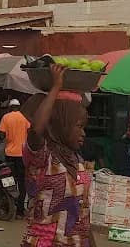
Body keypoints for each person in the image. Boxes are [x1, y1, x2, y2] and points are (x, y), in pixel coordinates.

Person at [21, 65, 96, 247]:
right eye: (78, 126)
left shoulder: (77, 162)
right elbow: (36, 131)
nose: (83, 133)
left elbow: (83, 215)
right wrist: (56, 87)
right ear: (61, 125)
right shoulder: (43, 158)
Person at [0, 98, 30, 217]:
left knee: (8, 181)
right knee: (22, 182)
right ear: (19, 107)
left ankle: (8, 206)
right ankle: (20, 211)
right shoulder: (24, 118)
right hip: (22, 155)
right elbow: (30, 132)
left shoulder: (6, 118)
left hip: (9, 154)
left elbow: (1, 136)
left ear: (10, 107)